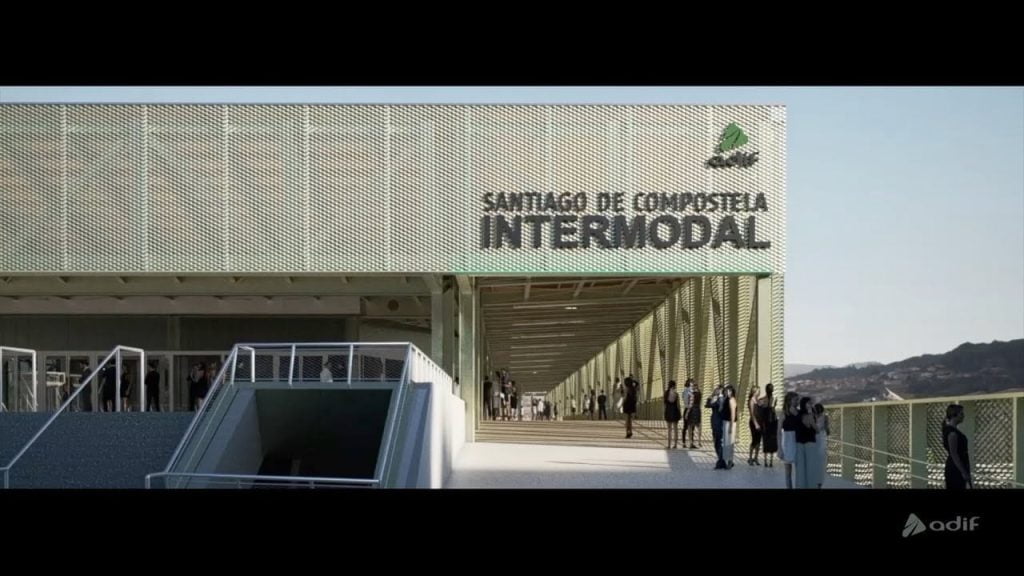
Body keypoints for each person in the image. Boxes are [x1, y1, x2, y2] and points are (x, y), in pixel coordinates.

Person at [943, 404, 972, 490]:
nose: (963, 416)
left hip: (959, 465)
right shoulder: (952, 433)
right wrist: (963, 472)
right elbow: (954, 454)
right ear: (954, 415)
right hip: (955, 468)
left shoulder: (953, 431)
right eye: (961, 414)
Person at [779, 392, 800, 488]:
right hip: (787, 443)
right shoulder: (783, 414)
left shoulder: (799, 413)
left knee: (800, 472)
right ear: (790, 401)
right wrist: (779, 448)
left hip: (798, 443)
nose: (797, 401)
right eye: (795, 399)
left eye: (798, 399)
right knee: (788, 473)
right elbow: (778, 432)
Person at [759, 384, 779, 467]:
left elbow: (761, 409)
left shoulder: (763, 399)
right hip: (772, 421)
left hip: (766, 421)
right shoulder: (773, 399)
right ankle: (770, 461)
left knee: (766, 440)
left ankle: (766, 461)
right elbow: (773, 410)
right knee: (771, 440)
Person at [707, 384, 725, 468]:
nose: (716, 390)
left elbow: (711, 405)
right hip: (714, 421)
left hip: (718, 422)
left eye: (718, 389)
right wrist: (712, 397)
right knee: (716, 442)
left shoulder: (721, 399)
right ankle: (720, 459)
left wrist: (713, 398)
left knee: (718, 441)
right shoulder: (717, 399)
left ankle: (721, 460)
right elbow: (707, 405)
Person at [720, 385, 738, 469]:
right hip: (726, 422)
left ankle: (729, 461)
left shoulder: (732, 400)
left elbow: (733, 414)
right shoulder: (727, 399)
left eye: (729, 391)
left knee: (729, 442)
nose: (727, 392)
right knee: (726, 442)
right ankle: (727, 460)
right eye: (726, 391)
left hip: (729, 423)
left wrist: (731, 426)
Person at [813, 403, 830, 487]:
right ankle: (819, 482)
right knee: (821, 462)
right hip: (822, 440)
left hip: (814, 440)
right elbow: (828, 431)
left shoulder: (812, 418)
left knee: (815, 462)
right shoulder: (825, 417)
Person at [663, 380, 682, 449]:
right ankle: (675, 444)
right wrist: (680, 413)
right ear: (674, 385)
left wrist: (664, 412)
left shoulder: (666, 393)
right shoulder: (676, 394)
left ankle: (668, 444)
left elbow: (664, 404)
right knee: (675, 429)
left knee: (669, 429)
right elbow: (678, 405)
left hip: (668, 411)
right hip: (675, 411)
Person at [747, 384, 762, 466]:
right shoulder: (751, 401)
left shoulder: (758, 400)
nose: (759, 392)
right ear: (754, 392)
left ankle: (756, 457)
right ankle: (750, 457)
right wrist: (755, 423)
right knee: (754, 440)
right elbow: (752, 414)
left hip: (760, 422)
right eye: (758, 391)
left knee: (759, 441)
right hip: (754, 422)